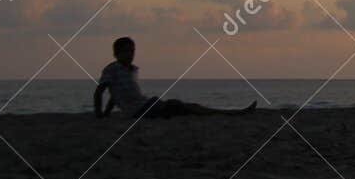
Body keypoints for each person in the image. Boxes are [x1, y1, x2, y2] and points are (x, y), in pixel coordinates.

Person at [93, 37, 256, 119]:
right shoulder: (112, 69)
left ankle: (230, 113)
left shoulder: (131, 70)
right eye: (126, 51)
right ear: (116, 53)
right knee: (181, 106)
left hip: (145, 106)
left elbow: (115, 95)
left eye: (132, 51)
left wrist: (107, 113)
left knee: (185, 107)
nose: (130, 55)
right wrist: (99, 115)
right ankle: (232, 114)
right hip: (141, 110)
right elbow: (99, 92)